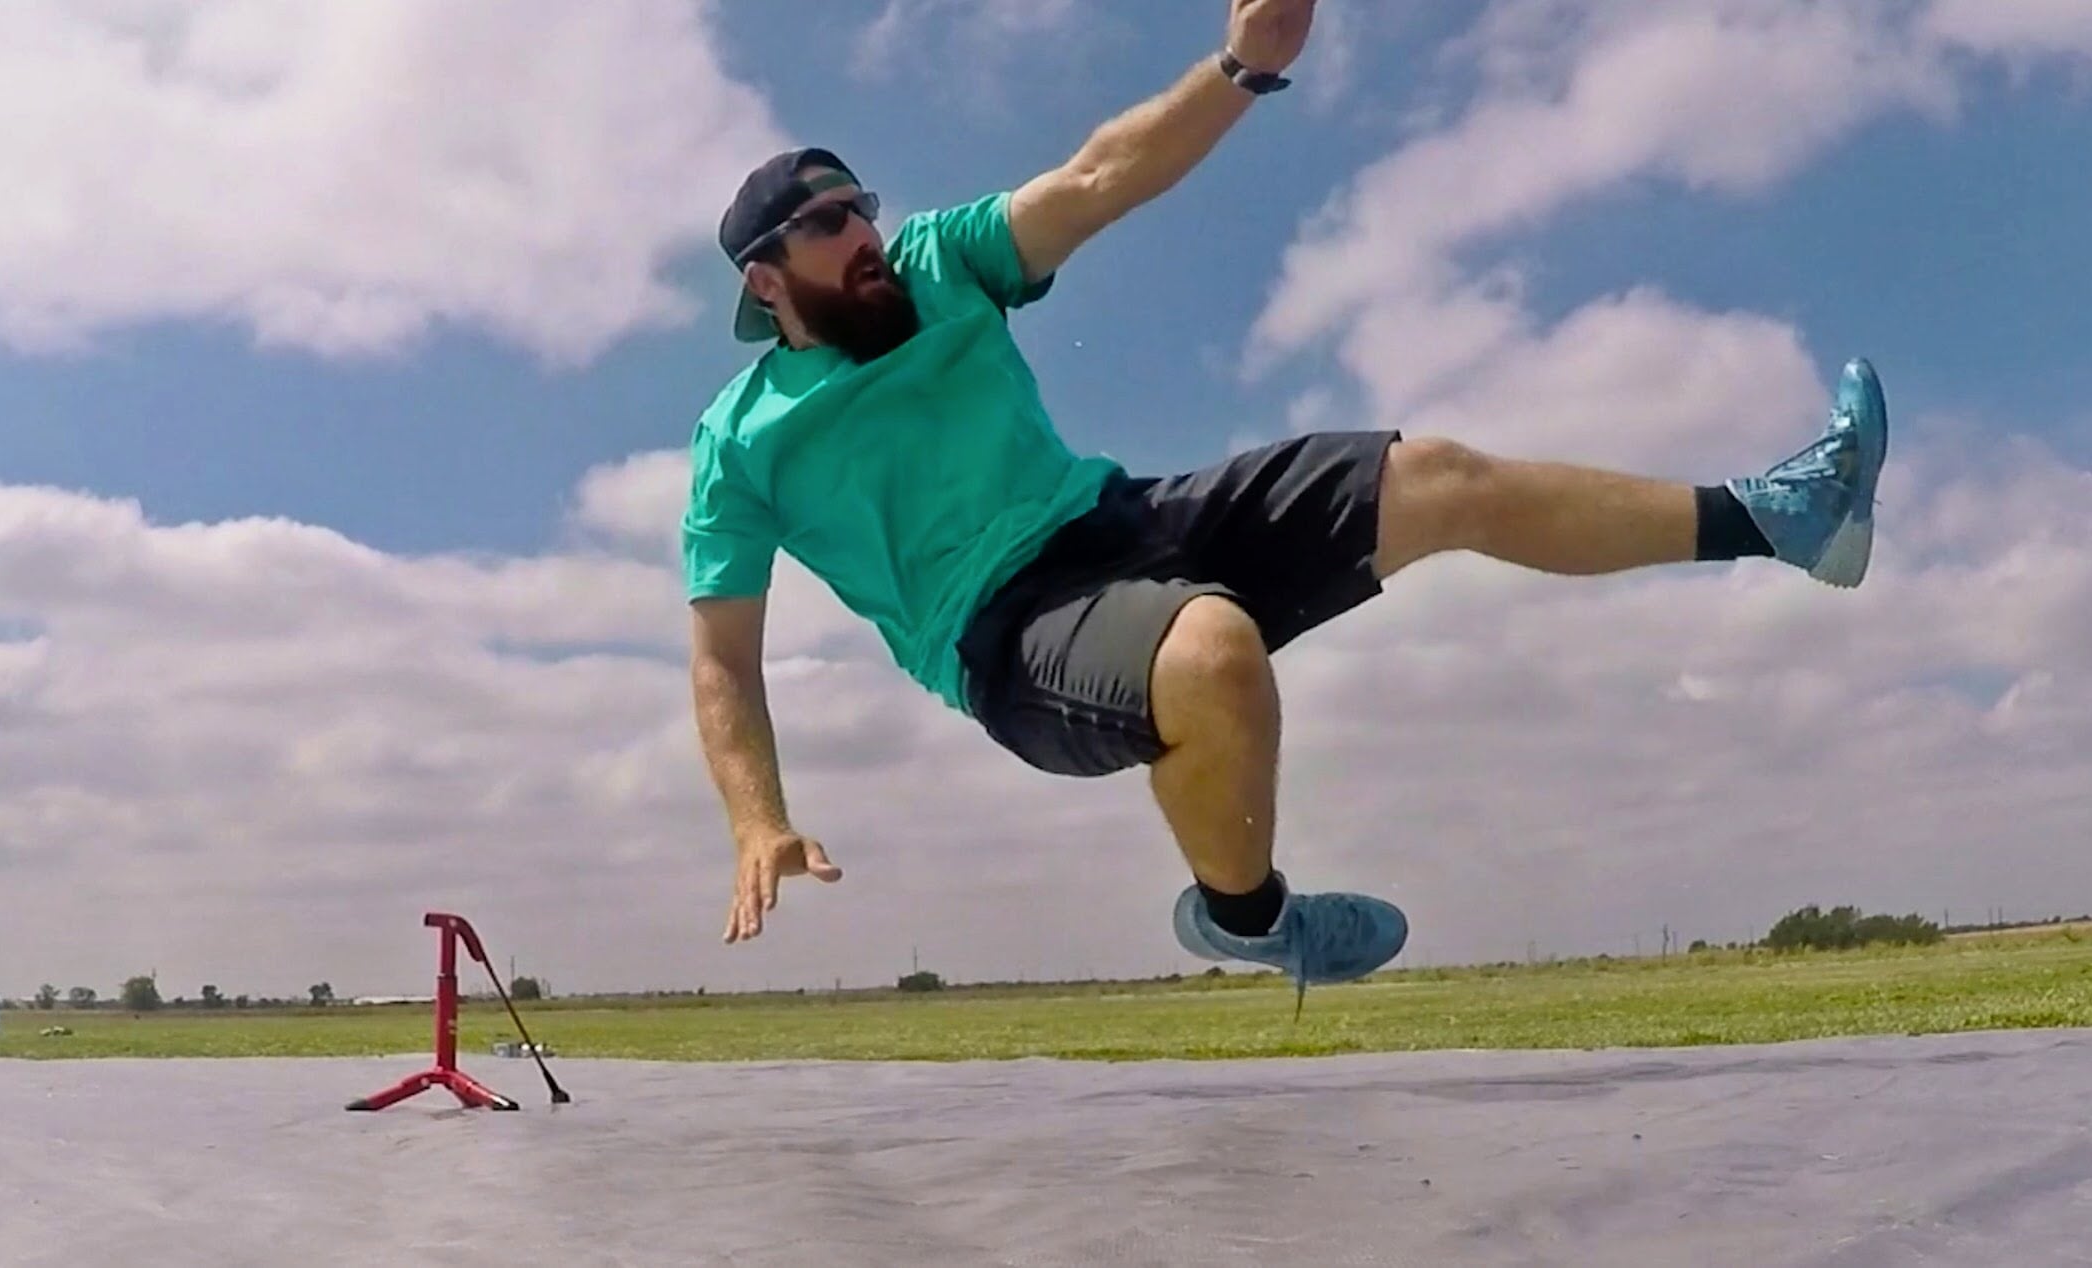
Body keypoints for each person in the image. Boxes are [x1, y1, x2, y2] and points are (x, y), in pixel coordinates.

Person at [682, 0, 1887, 1005]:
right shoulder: (740, 446)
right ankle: (1248, 915)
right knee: (1214, 654)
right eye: (832, 225)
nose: (868, 236)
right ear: (767, 275)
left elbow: (1102, 173)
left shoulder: (947, 262)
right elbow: (725, 662)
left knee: (1439, 476)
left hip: (1122, 522)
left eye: (865, 209)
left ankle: (1781, 515)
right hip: (1003, 634)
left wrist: (1243, 65)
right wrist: (756, 818)